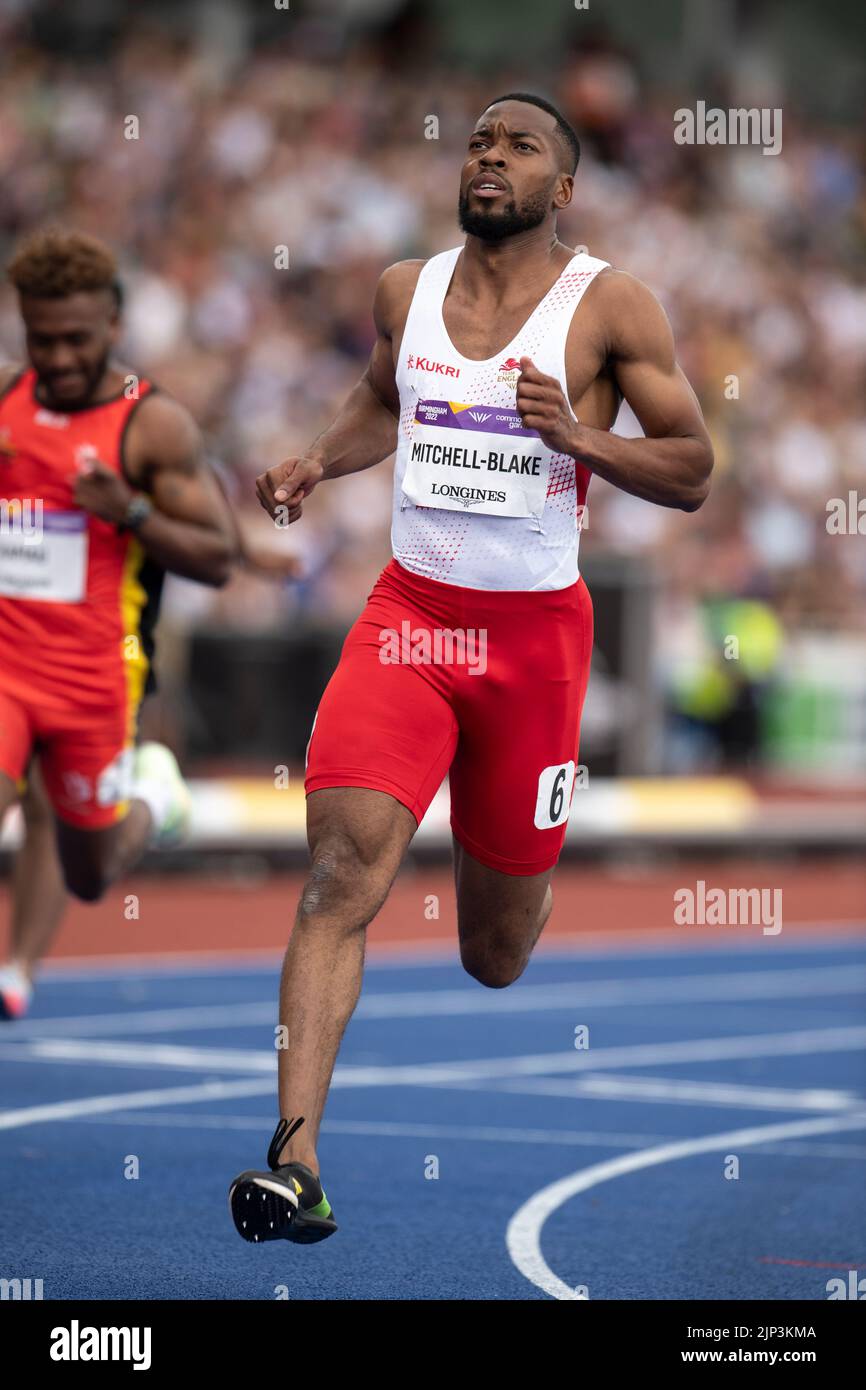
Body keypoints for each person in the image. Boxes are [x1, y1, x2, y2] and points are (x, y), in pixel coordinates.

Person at [231, 92, 714, 1244]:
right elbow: (380, 397)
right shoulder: (406, 288)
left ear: (563, 188)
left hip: (533, 647)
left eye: (521, 145)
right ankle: (294, 1162)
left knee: (492, 955)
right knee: (337, 877)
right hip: (408, 621)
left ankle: (510, 845)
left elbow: (692, 466)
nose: (490, 155)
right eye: (479, 141)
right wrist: (316, 461)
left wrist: (581, 439)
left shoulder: (609, 305)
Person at [0, 227, 238, 1016]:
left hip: (97, 676)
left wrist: (130, 510)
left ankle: (152, 800)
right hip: (6, 666)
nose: (60, 358)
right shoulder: (5, 403)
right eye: (43, 340)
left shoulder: (151, 425)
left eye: (76, 340)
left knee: (90, 873)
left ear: (112, 328)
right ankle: (15, 973)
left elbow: (217, 554)